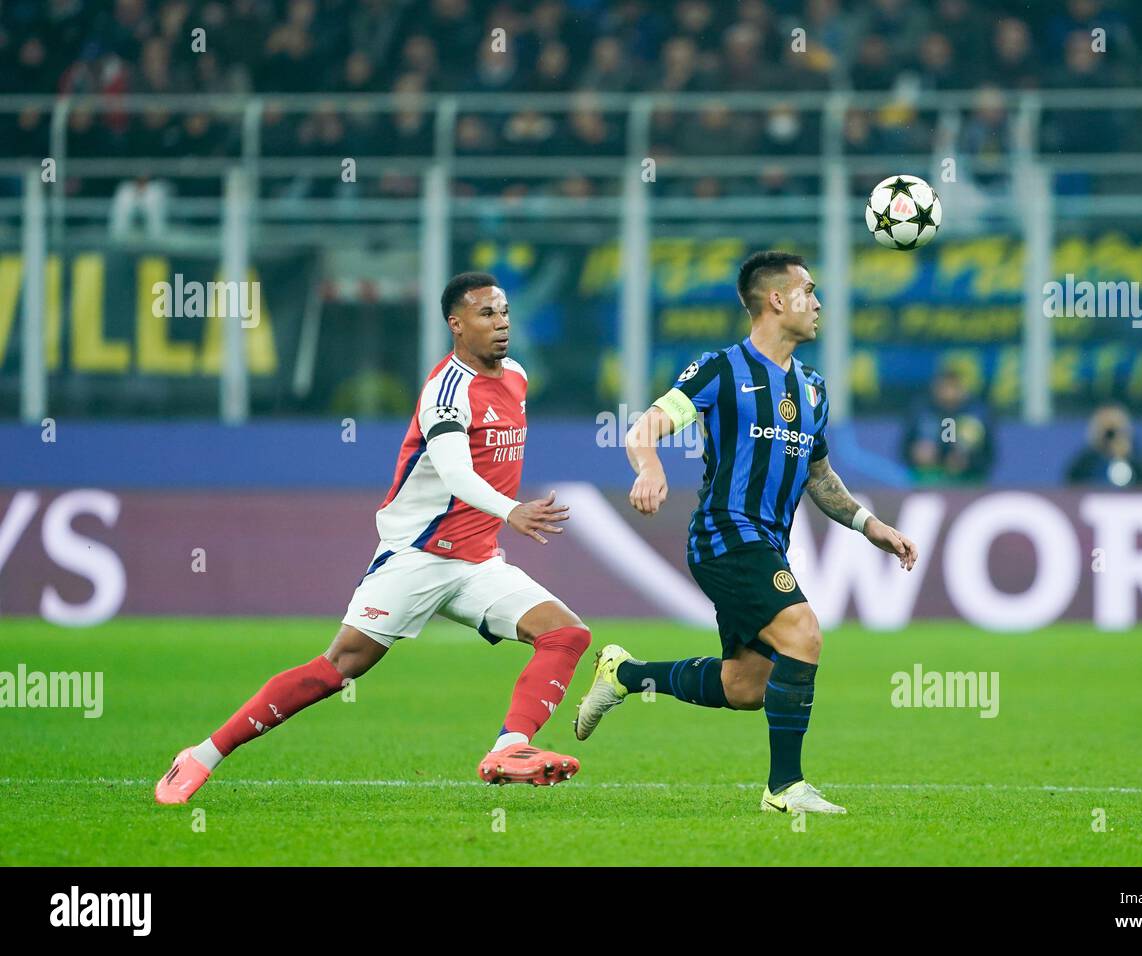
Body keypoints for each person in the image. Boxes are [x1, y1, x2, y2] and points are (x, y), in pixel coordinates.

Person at [155, 273, 591, 804]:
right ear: (456, 325)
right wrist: (512, 510)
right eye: (485, 315)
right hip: (417, 556)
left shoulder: (517, 376)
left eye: (503, 312)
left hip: (477, 562)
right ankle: (200, 756)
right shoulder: (445, 393)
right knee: (339, 668)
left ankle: (510, 748)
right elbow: (456, 475)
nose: (501, 324)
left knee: (566, 635)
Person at [574, 251, 919, 815]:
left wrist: (869, 525)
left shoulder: (812, 388)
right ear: (776, 300)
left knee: (745, 687)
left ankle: (624, 674)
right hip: (725, 534)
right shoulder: (719, 368)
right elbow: (646, 428)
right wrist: (651, 467)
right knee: (804, 632)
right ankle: (785, 789)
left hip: (767, 541)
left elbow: (818, 474)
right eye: (809, 290)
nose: (818, 302)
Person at [901, 361, 995, 483]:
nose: (948, 393)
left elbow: (989, 455)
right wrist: (916, 455)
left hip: (968, 480)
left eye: (953, 387)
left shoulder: (977, 414)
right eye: (944, 387)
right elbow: (904, 449)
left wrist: (969, 460)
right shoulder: (922, 412)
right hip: (926, 479)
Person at [1065, 403, 1142, 487]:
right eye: (1107, 430)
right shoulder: (1086, 462)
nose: (1111, 434)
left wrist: (1127, 456)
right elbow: (1071, 483)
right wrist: (1096, 449)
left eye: (1115, 428)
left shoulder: (1141, 459)